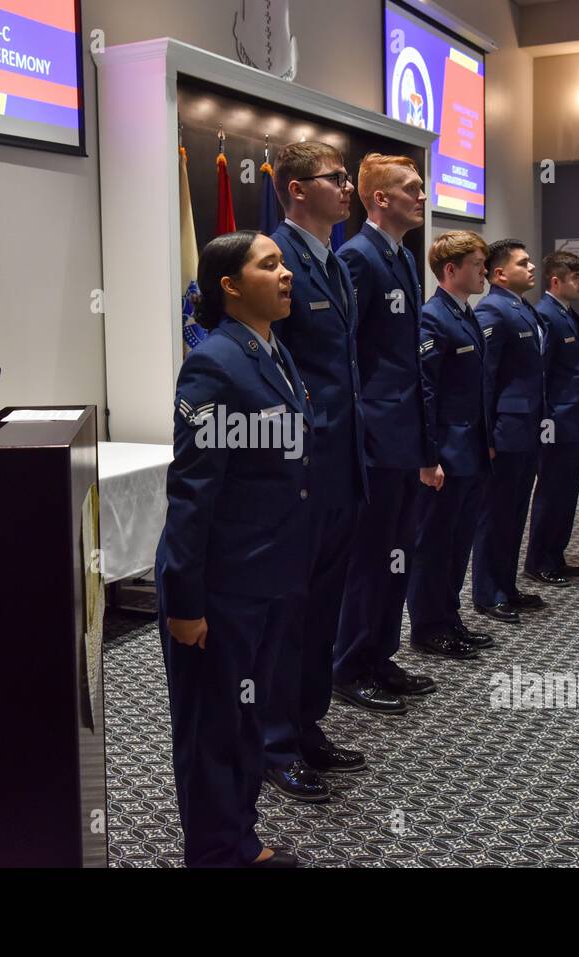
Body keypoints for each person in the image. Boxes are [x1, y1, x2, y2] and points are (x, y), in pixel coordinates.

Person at [155, 229, 313, 868]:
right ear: (228, 284)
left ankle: (238, 840)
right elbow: (193, 493)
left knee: (246, 717)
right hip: (223, 587)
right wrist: (185, 602)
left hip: (267, 575)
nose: (286, 275)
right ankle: (217, 852)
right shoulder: (215, 362)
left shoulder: (271, 350)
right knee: (215, 728)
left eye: (284, 265)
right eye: (268, 265)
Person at [263, 141, 367, 804]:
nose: (349, 188)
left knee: (323, 603)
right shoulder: (272, 258)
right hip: (299, 466)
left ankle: (309, 723)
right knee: (288, 610)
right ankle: (274, 740)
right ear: (296, 189)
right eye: (336, 179)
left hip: (342, 460)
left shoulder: (333, 259)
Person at [332, 153, 436, 714]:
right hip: (374, 433)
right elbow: (346, 352)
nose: (422, 196)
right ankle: (349, 664)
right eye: (412, 188)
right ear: (380, 199)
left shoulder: (398, 255)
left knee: (399, 549)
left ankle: (379, 652)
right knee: (369, 556)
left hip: (404, 431)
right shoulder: (357, 257)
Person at [406, 230, 495, 655]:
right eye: (478, 265)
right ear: (450, 269)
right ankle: (428, 627)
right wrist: (429, 456)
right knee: (434, 544)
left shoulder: (465, 313)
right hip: (446, 454)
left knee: (459, 542)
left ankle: (449, 618)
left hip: (471, 450)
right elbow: (426, 391)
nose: (485, 272)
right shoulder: (432, 317)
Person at [471, 239, 547, 625]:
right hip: (505, 430)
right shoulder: (491, 311)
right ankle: (488, 592)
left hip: (527, 427)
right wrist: (486, 437)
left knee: (515, 511)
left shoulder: (521, 307)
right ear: (499, 273)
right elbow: (485, 379)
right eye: (523, 262)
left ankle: (508, 584)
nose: (532, 267)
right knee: (496, 513)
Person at [524, 250, 579, 587]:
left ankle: (556, 554)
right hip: (557, 422)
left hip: (574, 418)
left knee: (566, 494)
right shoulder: (546, 316)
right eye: (575, 278)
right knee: (551, 493)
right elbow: (543, 374)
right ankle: (539, 560)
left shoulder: (567, 313)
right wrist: (546, 422)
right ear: (556, 281)